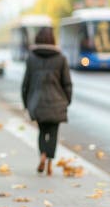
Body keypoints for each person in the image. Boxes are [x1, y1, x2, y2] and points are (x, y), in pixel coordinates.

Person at [21, 27, 72, 176]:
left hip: (37, 103)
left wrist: (26, 104)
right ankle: (50, 162)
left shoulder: (31, 58)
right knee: (53, 133)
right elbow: (67, 83)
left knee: (42, 131)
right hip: (57, 102)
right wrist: (67, 100)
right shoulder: (61, 58)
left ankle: (42, 155)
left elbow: (25, 84)